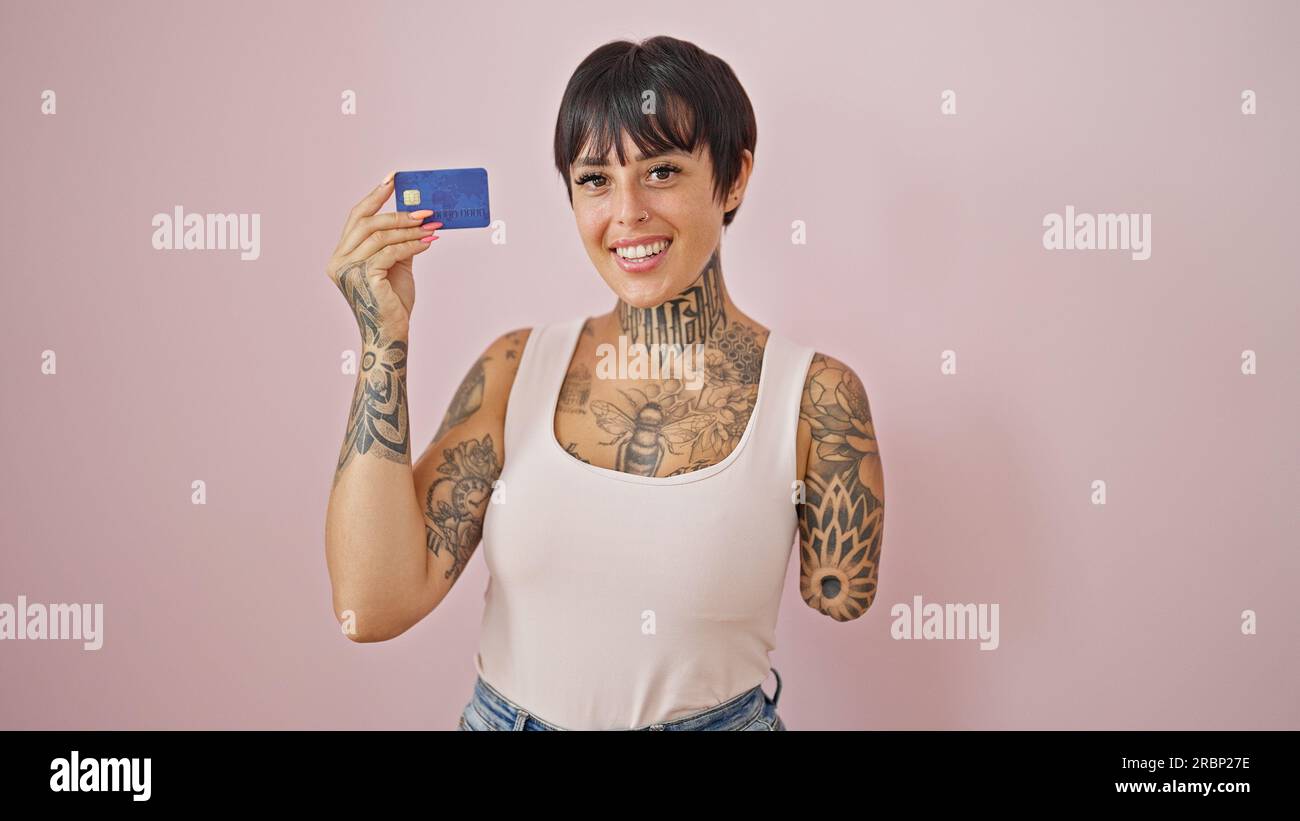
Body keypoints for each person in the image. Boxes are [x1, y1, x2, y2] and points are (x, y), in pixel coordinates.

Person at [324, 35, 885, 731]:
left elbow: (842, 593)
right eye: (595, 179)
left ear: (734, 178)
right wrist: (384, 338)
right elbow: (372, 604)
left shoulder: (817, 397)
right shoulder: (513, 368)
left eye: (662, 171)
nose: (627, 213)